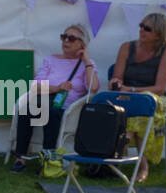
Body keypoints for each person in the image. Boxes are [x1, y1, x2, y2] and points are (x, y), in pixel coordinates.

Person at [10, 24, 100, 172]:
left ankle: (48, 160)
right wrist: (57, 88)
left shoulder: (87, 64)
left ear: (82, 44)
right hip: (45, 100)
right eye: (64, 37)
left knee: (52, 113)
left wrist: (87, 62)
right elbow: (35, 87)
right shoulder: (51, 60)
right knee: (27, 110)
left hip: (68, 109)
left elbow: (93, 88)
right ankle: (20, 157)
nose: (66, 41)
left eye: (71, 38)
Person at [110, 12, 166, 182]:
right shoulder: (126, 47)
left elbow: (159, 89)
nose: (141, 30)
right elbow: (117, 77)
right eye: (141, 26)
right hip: (128, 96)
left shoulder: (165, 53)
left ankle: (124, 148)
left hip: (154, 98)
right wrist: (115, 83)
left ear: (159, 33)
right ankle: (139, 164)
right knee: (135, 106)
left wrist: (130, 90)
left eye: (147, 28)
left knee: (144, 104)